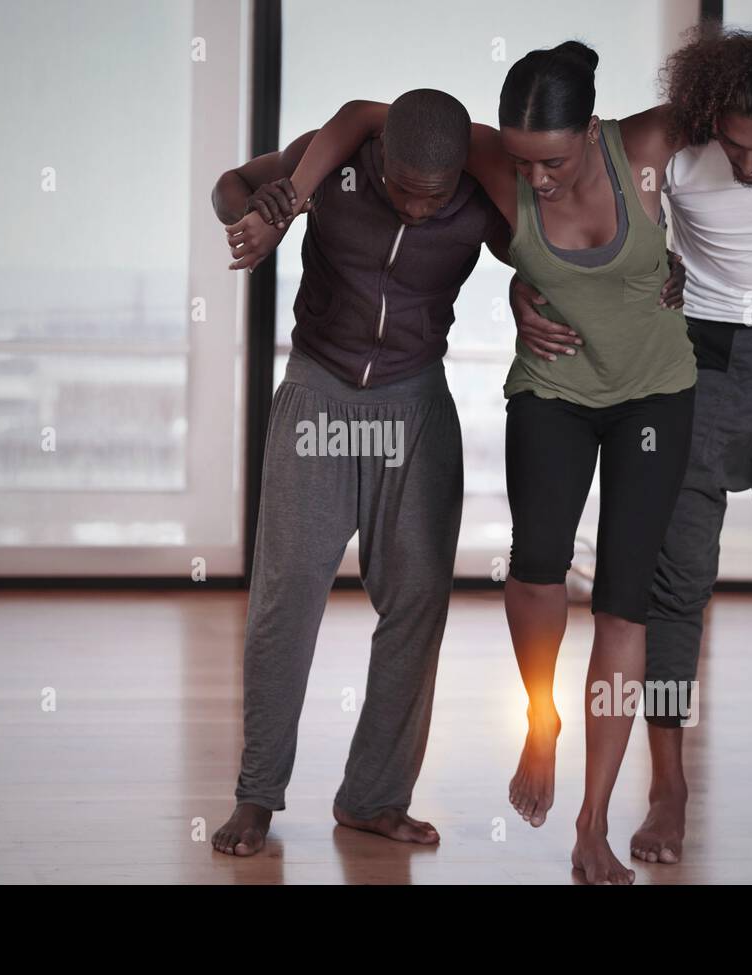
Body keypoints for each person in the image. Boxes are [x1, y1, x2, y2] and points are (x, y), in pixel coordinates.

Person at [269, 40, 703, 884]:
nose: (533, 181)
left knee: (623, 606)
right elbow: (368, 114)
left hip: (655, 395)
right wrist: (291, 195)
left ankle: (592, 823)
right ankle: (541, 718)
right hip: (552, 391)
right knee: (537, 565)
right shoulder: (495, 157)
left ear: (590, 129)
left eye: (551, 160)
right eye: (521, 160)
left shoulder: (644, 147)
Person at [513, 28, 752, 882]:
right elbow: (588, 216)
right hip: (701, 370)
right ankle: (669, 786)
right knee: (675, 588)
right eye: (737, 146)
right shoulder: (680, 151)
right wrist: (529, 288)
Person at [209, 89, 511, 857]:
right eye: (402, 189)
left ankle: (374, 796)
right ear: (377, 156)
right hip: (321, 387)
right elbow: (230, 184)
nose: (416, 209)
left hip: (414, 401)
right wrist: (258, 211)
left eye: (432, 197)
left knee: (416, 600)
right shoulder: (333, 156)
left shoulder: (480, 193)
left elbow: (559, 252)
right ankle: (256, 795)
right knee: (287, 597)